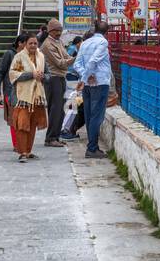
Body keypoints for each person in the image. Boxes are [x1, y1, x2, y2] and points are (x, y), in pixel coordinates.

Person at [73, 19, 112, 159]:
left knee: (90, 115)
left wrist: (85, 76)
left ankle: (92, 146)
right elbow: (93, 61)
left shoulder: (85, 43)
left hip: (89, 84)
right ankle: (92, 148)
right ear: (106, 32)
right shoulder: (102, 42)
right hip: (99, 82)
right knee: (96, 116)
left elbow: (77, 64)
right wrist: (86, 78)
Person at [8, 34, 48, 161]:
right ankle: (22, 152)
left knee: (32, 124)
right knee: (22, 125)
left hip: (37, 97)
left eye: (35, 43)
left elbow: (48, 74)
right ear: (25, 44)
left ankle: (29, 151)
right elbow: (14, 75)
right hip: (22, 98)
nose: (33, 46)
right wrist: (32, 75)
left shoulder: (41, 57)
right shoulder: (19, 58)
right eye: (30, 43)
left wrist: (43, 77)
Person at [40, 18, 75, 148]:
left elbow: (66, 57)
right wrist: (76, 58)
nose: (59, 33)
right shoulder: (47, 45)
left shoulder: (58, 41)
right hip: (53, 78)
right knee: (55, 109)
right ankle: (50, 138)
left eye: (60, 31)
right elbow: (60, 63)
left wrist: (72, 59)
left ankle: (55, 136)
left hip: (60, 77)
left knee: (60, 109)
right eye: (56, 31)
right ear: (51, 31)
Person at [0, 34, 26, 149]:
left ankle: (22, 142)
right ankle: (17, 144)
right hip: (10, 91)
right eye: (28, 43)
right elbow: (0, 72)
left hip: (23, 91)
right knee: (13, 119)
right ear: (20, 43)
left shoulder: (27, 56)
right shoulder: (9, 54)